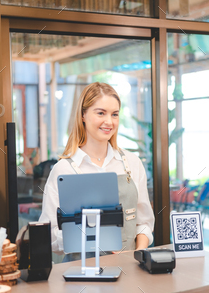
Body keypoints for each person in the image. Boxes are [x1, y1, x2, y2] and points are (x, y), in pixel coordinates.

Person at [38, 82, 154, 260]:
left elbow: (144, 222)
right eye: (101, 113)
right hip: (80, 276)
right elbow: (49, 234)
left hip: (130, 272)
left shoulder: (132, 163)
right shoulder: (64, 169)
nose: (109, 121)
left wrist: (137, 252)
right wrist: (85, 237)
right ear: (83, 115)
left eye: (114, 114)